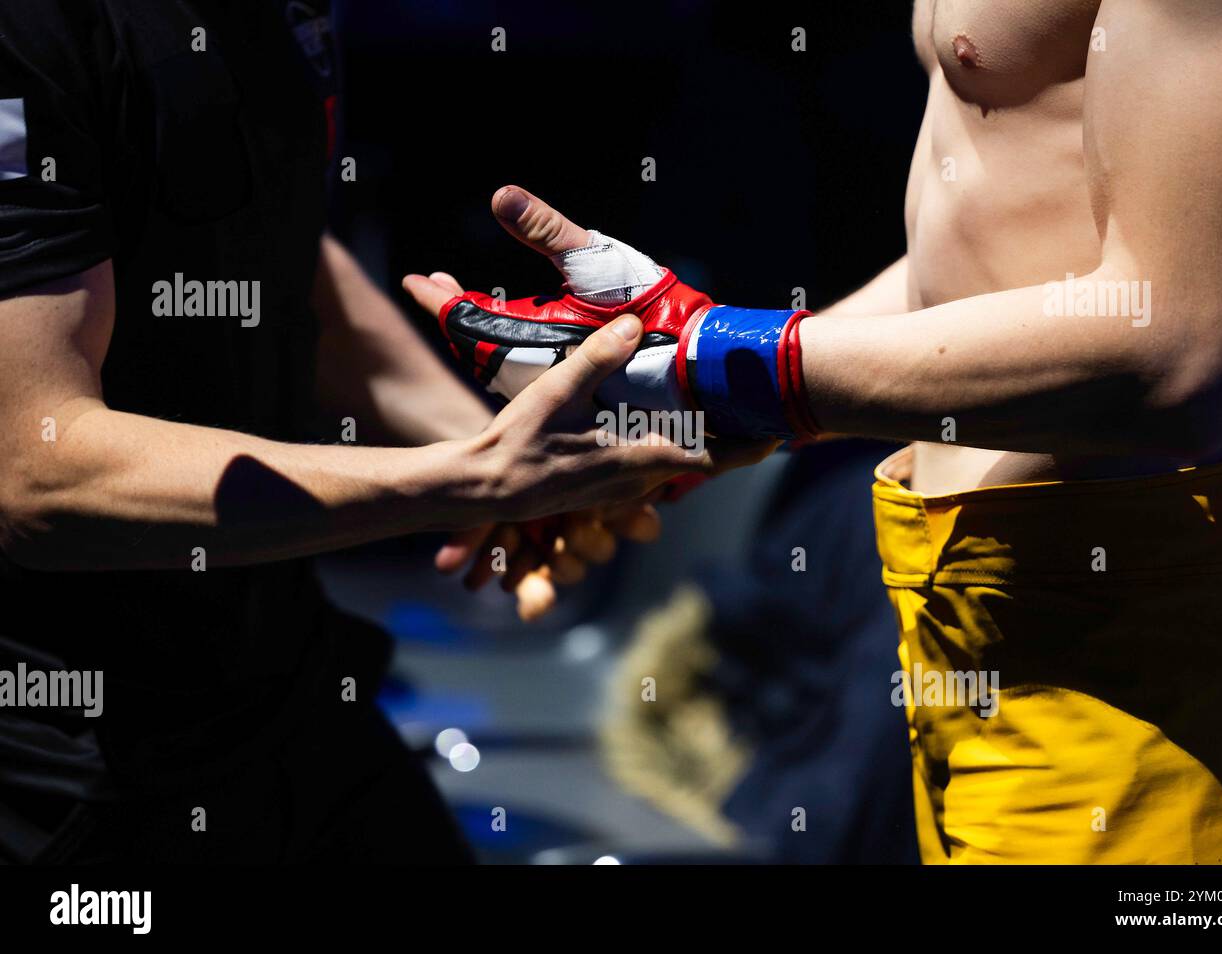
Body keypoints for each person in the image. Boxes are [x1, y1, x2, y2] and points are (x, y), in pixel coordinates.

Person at [412, 0, 1222, 863]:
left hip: (1129, 637)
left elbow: (1182, 352)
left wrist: (718, 367)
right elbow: (987, 255)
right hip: (954, 608)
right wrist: (685, 421)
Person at [0, 1, 752, 864]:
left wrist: (503, 452)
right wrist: (466, 478)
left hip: (283, 672)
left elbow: (276, 258)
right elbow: (36, 473)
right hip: (71, 757)